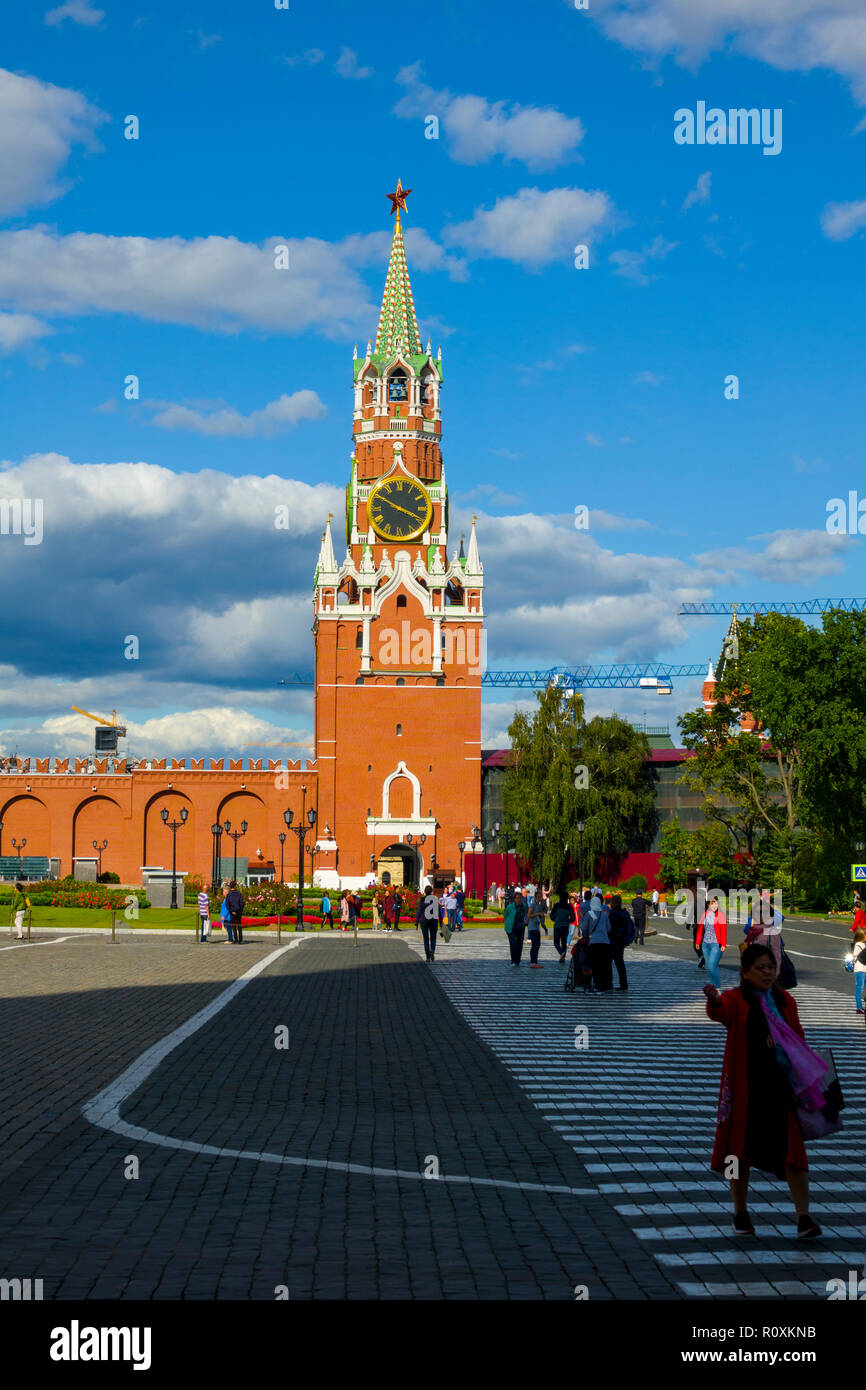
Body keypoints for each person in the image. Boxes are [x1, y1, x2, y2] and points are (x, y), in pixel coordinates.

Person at [704, 944, 822, 1240]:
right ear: (745, 972)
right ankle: (740, 1210)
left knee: (794, 1153)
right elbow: (720, 1012)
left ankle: (803, 1217)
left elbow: (799, 1039)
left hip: (782, 1090)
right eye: (761, 968)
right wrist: (713, 1000)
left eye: (771, 967)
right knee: (737, 1153)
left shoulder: (785, 1001)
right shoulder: (735, 999)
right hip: (746, 1089)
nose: (768, 973)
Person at [582, 892, 613, 991]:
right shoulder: (604, 914)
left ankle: (596, 984)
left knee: (595, 964)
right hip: (605, 942)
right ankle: (605, 984)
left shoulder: (588, 914)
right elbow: (609, 929)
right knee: (604, 965)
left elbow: (584, 928)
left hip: (594, 942)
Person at [697, 895, 727, 988]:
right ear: (708, 904)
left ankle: (717, 988)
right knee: (709, 968)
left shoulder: (720, 915)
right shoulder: (704, 914)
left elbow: (724, 931)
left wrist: (723, 944)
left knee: (712, 967)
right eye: (713, 903)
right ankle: (713, 987)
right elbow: (700, 929)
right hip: (705, 945)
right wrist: (698, 942)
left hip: (716, 944)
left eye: (716, 903)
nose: (715, 905)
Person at [608, 893, 634, 991]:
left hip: (612, 940)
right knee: (620, 964)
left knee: (609, 962)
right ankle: (624, 984)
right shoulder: (624, 913)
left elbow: (609, 927)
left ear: (613, 903)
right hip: (621, 941)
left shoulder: (612, 913)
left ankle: (609, 983)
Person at [504, 889, 527, 966]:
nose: (518, 900)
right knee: (513, 944)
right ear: (514, 899)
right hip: (511, 928)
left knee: (519, 944)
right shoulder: (510, 907)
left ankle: (517, 961)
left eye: (520, 898)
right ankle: (513, 960)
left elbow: (527, 914)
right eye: (517, 898)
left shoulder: (524, 906)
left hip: (520, 928)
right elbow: (506, 915)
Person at [417, 885, 440, 960]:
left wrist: (416, 922)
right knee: (433, 938)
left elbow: (419, 911)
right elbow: (438, 910)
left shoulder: (422, 899)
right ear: (431, 891)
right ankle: (432, 951)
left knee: (426, 939)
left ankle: (427, 956)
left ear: (424, 892)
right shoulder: (435, 899)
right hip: (433, 920)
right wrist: (441, 922)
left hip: (424, 920)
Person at [551, 894, 572, 964]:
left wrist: (556, 919)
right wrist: (568, 920)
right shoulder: (569, 906)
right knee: (564, 942)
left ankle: (561, 953)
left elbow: (551, 915)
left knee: (556, 942)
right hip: (565, 926)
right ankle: (563, 956)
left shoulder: (557, 905)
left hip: (558, 925)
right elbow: (573, 918)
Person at [527, 892, 545, 968]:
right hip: (532, 927)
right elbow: (529, 915)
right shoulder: (533, 905)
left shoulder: (539, 905)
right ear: (535, 897)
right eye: (537, 897)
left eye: (540, 897)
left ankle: (535, 962)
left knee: (537, 945)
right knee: (535, 945)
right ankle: (533, 962)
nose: (539, 898)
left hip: (537, 927)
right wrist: (538, 914)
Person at [851, 927, 866, 1014]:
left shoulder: (864, 944)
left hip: (865, 969)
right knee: (859, 989)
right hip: (860, 969)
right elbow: (855, 956)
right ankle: (859, 1008)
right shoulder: (858, 945)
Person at [226, 880, 244, 944]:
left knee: (233, 926)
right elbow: (241, 903)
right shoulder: (239, 894)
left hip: (232, 911)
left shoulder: (228, 895)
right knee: (239, 926)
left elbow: (227, 904)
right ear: (235, 886)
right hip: (238, 911)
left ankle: (235, 939)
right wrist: (240, 910)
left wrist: (232, 911)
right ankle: (240, 939)